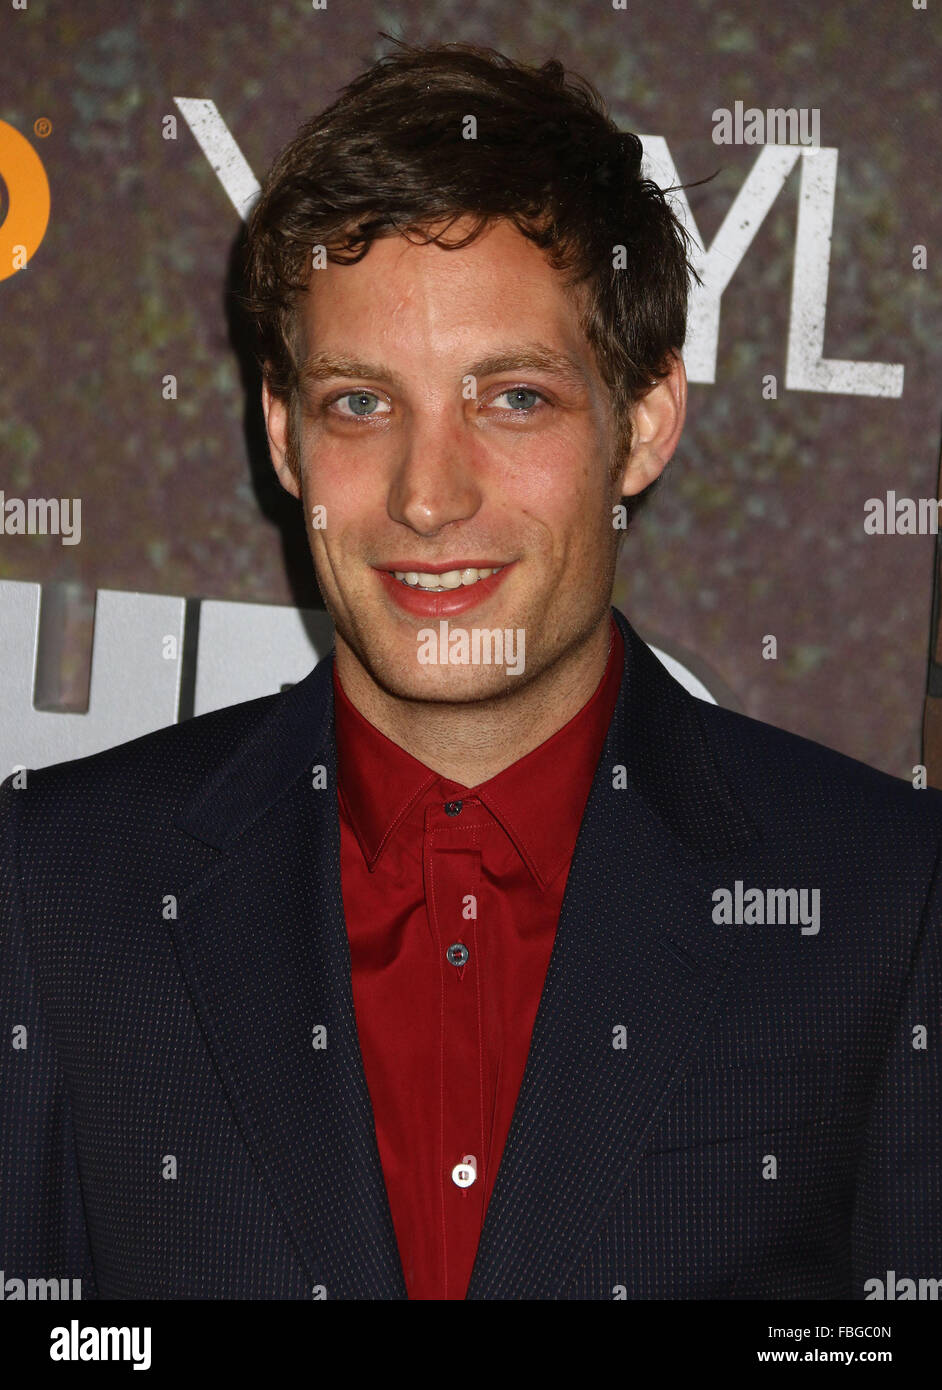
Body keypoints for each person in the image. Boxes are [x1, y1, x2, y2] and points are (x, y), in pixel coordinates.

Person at [2, 39, 940, 1302]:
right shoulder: (57, 891)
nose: (426, 498)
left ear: (645, 420)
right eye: (358, 404)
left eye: (510, 399)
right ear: (282, 433)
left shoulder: (886, 897)